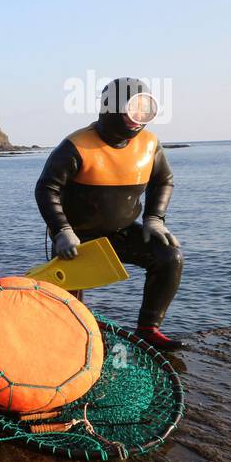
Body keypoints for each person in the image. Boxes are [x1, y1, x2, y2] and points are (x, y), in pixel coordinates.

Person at [35, 77, 185, 350]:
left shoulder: (150, 145)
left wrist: (154, 219)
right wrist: (61, 231)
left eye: (145, 110)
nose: (137, 118)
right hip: (77, 239)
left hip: (121, 232)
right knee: (70, 302)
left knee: (169, 256)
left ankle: (148, 329)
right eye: (132, 108)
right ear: (110, 108)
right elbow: (47, 188)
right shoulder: (77, 145)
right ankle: (70, 340)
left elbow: (163, 180)